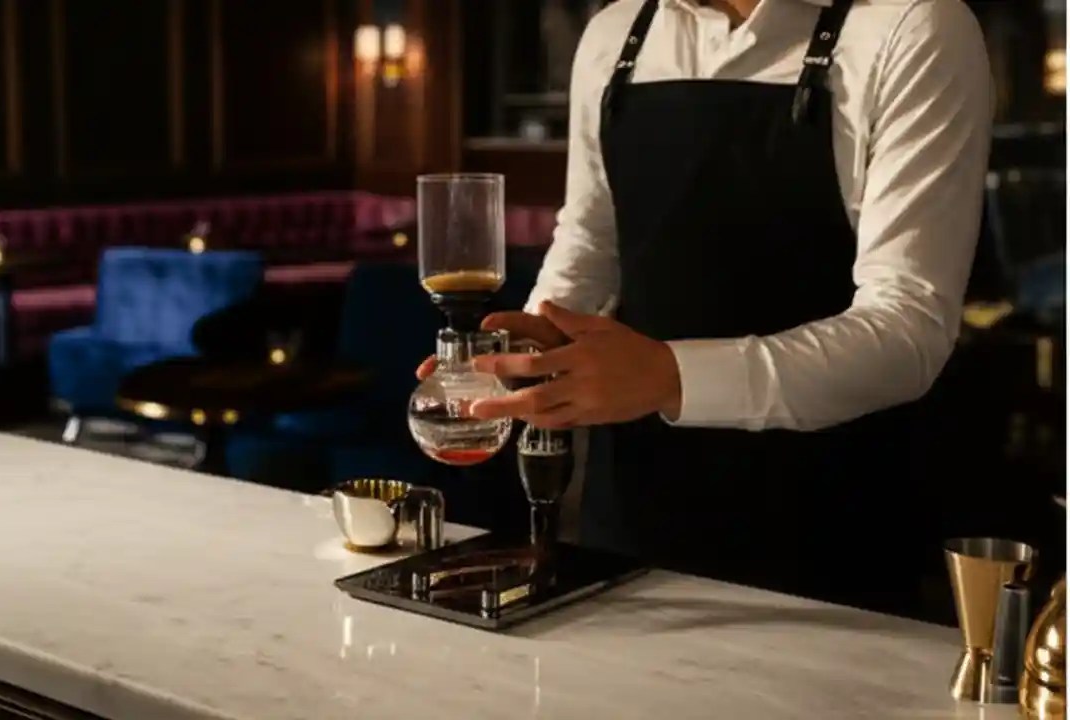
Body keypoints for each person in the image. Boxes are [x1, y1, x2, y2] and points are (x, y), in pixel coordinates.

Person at [419, 0, 993, 614]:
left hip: (827, 529)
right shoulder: (619, 33)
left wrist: (669, 375)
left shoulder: (912, 25)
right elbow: (590, 244)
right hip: (632, 523)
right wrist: (533, 346)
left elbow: (909, 332)